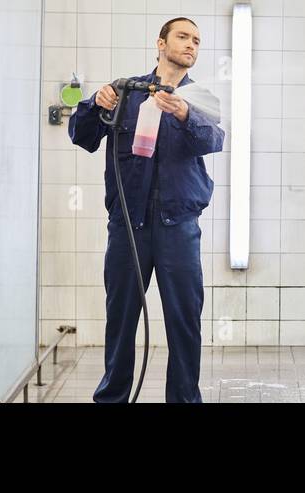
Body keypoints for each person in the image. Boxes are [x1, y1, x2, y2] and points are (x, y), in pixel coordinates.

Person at [68, 17, 224, 403]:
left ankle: (184, 400)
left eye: (197, 41)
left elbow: (214, 139)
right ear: (160, 43)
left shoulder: (201, 97)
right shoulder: (126, 92)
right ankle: (112, 398)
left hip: (179, 228)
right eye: (183, 37)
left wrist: (184, 114)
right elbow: (81, 134)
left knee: (184, 323)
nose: (191, 45)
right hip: (128, 227)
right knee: (121, 320)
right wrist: (94, 106)